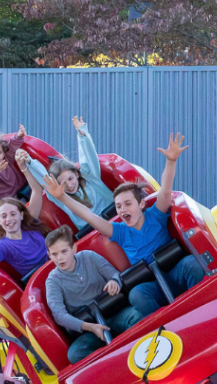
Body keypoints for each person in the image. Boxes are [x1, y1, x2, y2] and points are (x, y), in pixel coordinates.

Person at [42, 133, 204, 317]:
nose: (122, 209)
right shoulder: (118, 231)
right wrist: (62, 197)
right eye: (118, 206)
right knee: (137, 295)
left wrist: (171, 161)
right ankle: (167, 324)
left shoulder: (155, 215)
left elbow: (166, 190)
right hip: (154, 283)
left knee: (192, 264)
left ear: (141, 204)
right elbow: (87, 214)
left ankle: (199, 308)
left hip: (176, 271)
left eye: (128, 204)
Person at [43, 226, 144, 364]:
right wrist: (91, 327)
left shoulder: (89, 256)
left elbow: (114, 274)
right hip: (89, 327)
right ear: (49, 255)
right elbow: (59, 316)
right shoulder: (52, 281)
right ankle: (114, 365)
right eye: (54, 254)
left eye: (64, 251)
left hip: (113, 313)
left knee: (138, 316)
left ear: (73, 249)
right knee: (75, 354)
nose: (60, 258)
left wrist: (114, 282)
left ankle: (139, 355)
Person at [42, 117, 115, 230]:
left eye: (70, 179)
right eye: (63, 183)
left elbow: (88, 158)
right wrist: (28, 163)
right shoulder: (62, 198)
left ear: (77, 174)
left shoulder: (91, 179)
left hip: (115, 218)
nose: (69, 185)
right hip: (93, 233)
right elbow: (42, 179)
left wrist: (82, 135)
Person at [0, 125, 49, 211]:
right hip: (7, 203)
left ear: (3, 153)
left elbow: (12, 147)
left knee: (39, 181)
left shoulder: (6, 160)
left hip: (23, 191)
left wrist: (19, 136)